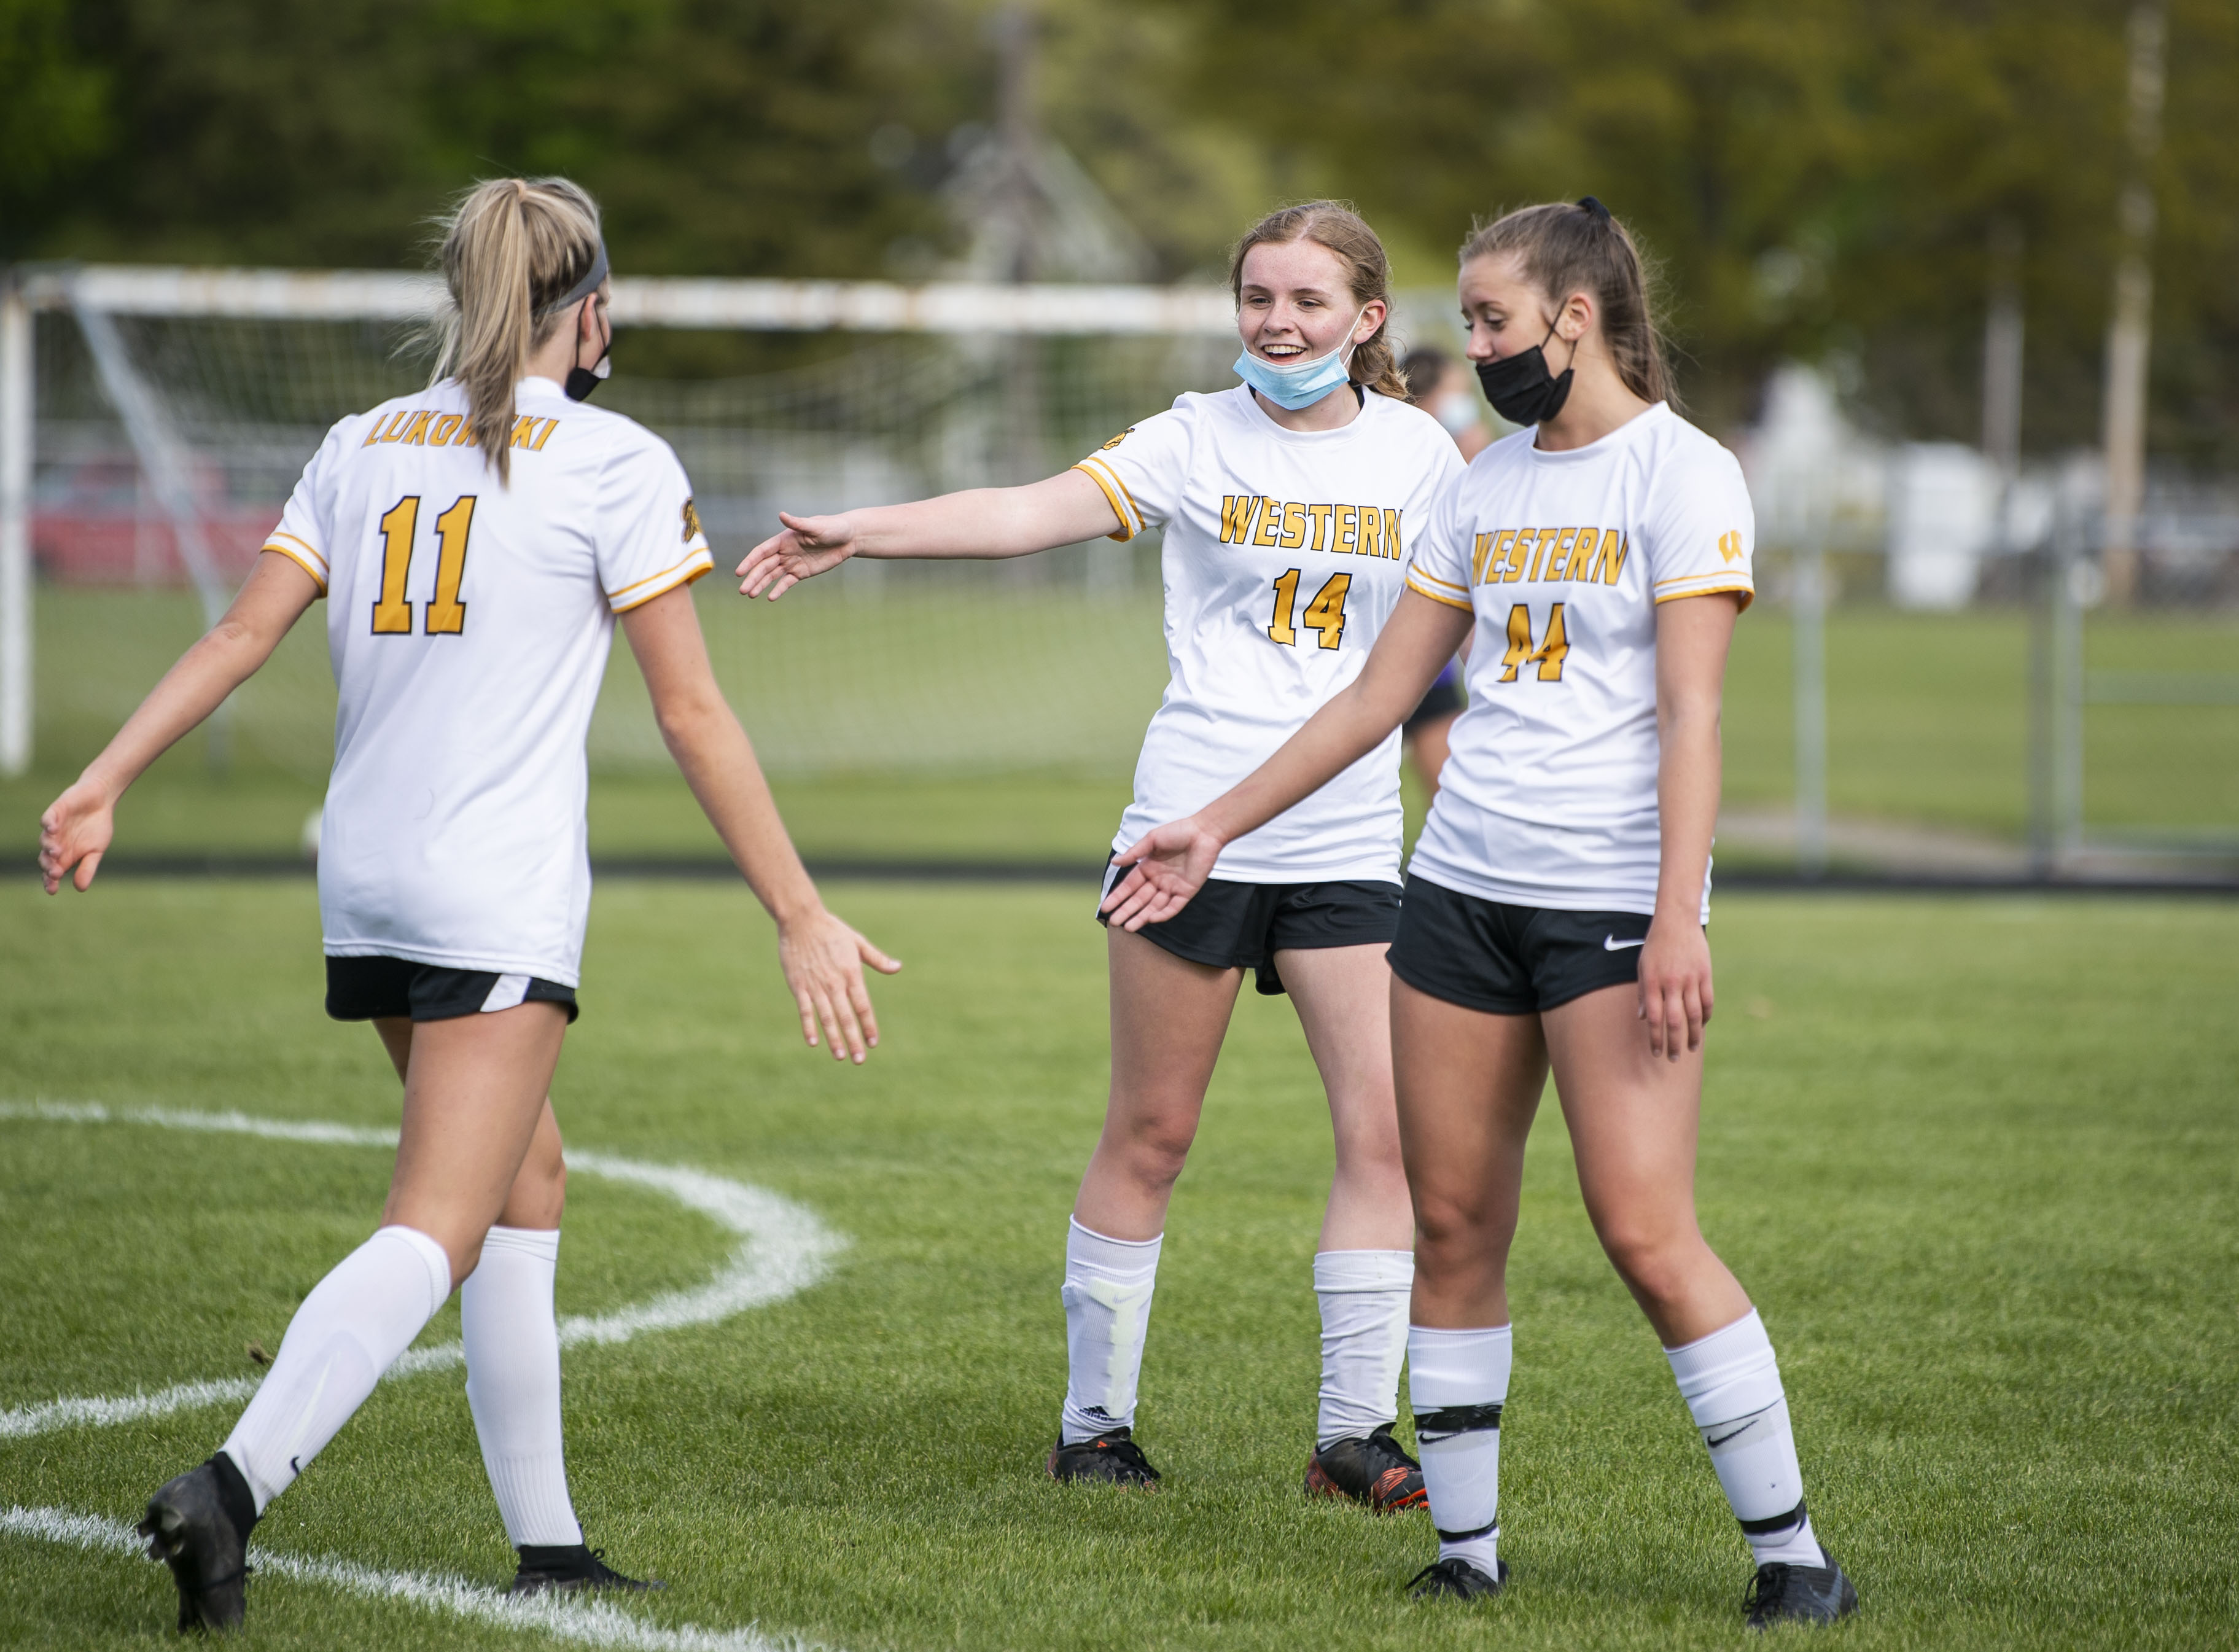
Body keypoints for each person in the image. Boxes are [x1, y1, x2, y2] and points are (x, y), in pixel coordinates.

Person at [36, 177, 898, 1632]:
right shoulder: (615, 458)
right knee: (435, 1222)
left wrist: (101, 778)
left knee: (524, 1183)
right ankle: (229, 1489)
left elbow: (244, 633)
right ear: (597, 312)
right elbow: (691, 712)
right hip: (490, 887)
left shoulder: (360, 441)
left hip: (363, 875)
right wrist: (799, 910)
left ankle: (548, 1543)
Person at [1097, 198, 1859, 1629]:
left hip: (1609, 907)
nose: (1479, 346)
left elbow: (1693, 714)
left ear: (1575, 318)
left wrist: (1679, 912)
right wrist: (1215, 821)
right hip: (1456, 893)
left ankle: (1793, 1554)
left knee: (1643, 1228)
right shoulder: (1480, 480)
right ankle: (1468, 1549)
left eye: (1496, 321)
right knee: (1450, 1225)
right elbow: (1382, 697)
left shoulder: (1682, 476)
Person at [738, 201, 1465, 1510]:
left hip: (1345, 834)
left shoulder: (1425, 455)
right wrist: (867, 530)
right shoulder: (1195, 435)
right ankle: (1095, 1426)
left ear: (1365, 319)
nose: (1277, 323)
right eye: (1256, 297)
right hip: (1184, 830)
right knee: (1151, 1127)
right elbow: (1024, 511)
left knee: (1384, 1135)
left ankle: (1352, 1434)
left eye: (1306, 302)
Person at [1396, 346, 1486, 799]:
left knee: (1455, 800)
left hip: (1430, 669)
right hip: (1382, 659)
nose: (1468, 416)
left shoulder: (1468, 477)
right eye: (1456, 400)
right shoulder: (1396, 470)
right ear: (1421, 402)